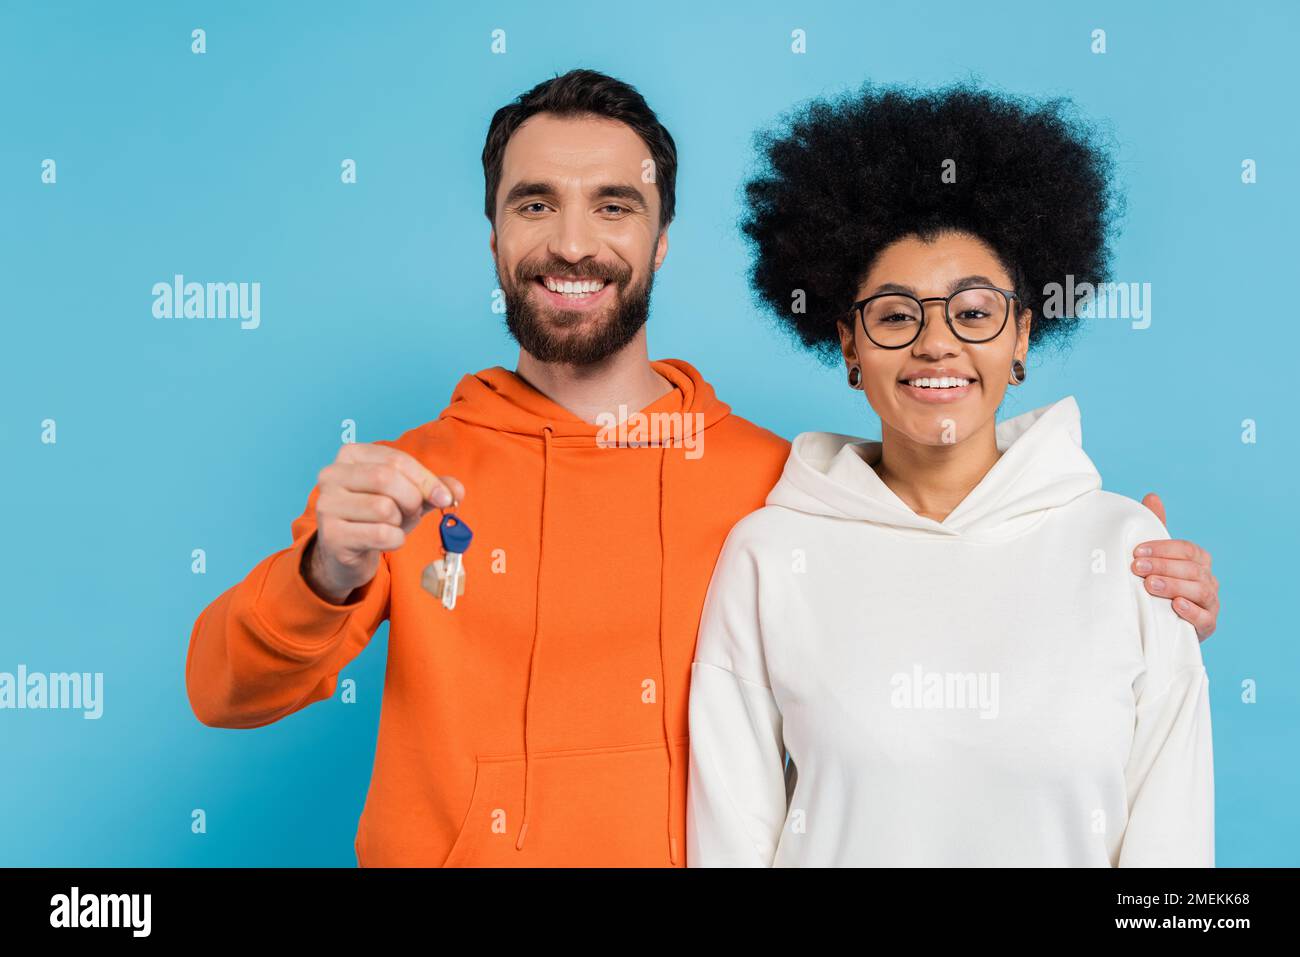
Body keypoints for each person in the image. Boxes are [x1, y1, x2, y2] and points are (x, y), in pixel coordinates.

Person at [186, 70, 1219, 867]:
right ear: (493, 234)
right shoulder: (405, 481)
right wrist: (326, 568)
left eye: (614, 206)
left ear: (664, 240)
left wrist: (1120, 572)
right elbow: (222, 690)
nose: (573, 242)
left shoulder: (780, 487)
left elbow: (944, 533)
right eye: (535, 204)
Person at [686, 81, 1214, 866]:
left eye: (973, 313)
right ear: (850, 348)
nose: (937, 344)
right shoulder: (769, 555)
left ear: (1022, 336)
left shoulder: (1129, 551)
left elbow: (1170, 848)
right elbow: (731, 834)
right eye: (897, 316)